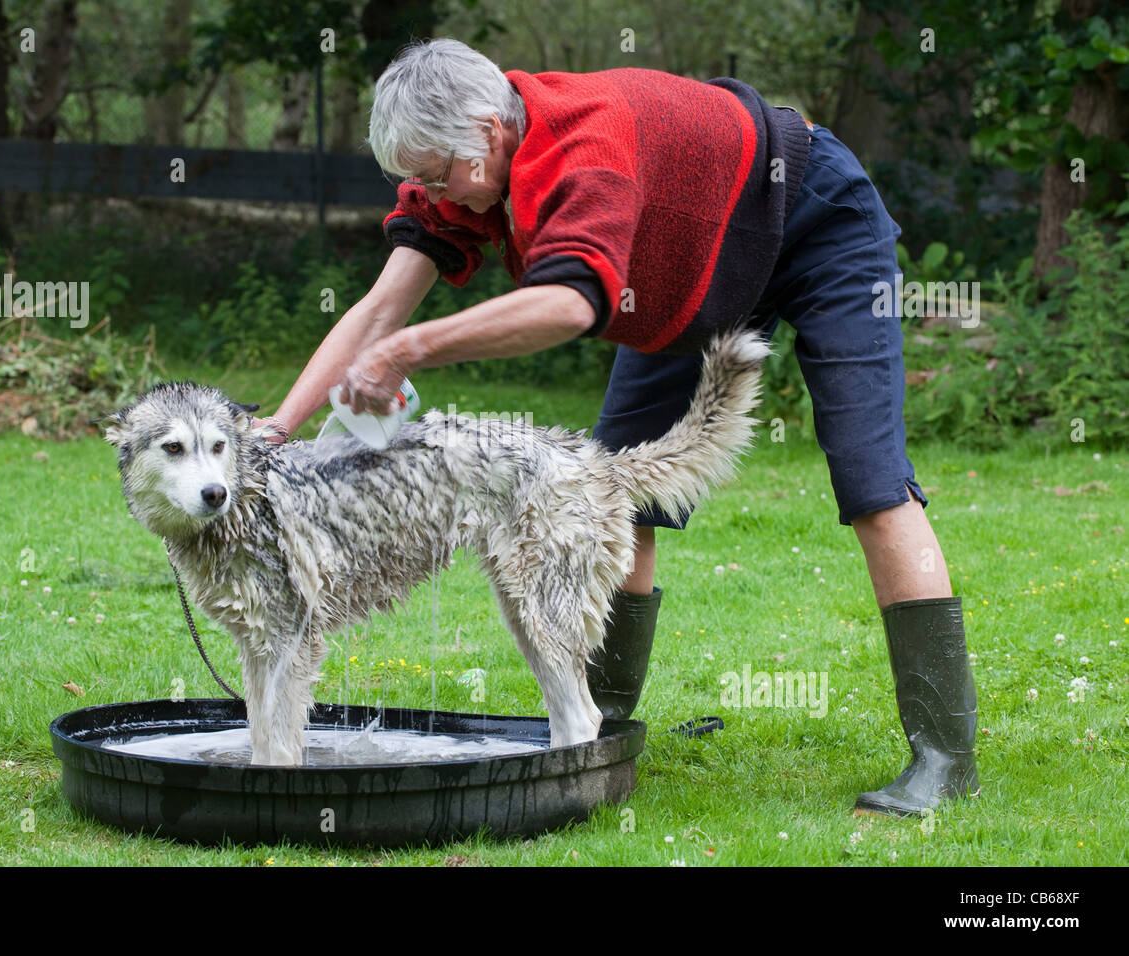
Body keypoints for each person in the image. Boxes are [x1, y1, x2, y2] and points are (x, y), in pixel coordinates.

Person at [251, 37, 979, 819]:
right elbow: (377, 309)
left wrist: (412, 350)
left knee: (873, 483)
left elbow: (572, 304)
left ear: (490, 131)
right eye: (420, 181)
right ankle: (599, 731)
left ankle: (943, 758)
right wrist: (281, 428)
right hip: (689, 266)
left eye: (441, 174)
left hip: (812, 214)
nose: (440, 197)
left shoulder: (584, 148)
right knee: (616, 495)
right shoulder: (458, 175)